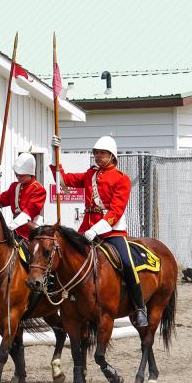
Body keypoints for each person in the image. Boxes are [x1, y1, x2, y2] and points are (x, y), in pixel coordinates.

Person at [51, 134, 146, 327]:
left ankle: (139, 307)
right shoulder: (90, 174)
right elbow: (64, 180)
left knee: (127, 264)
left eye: (102, 153)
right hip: (86, 227)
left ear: (112, 156)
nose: (98, 156)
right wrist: (55, 155)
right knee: (63, 256)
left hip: (112, 231)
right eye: (96, 153)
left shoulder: (122, 179)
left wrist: (96, 229)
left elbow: (116, 211)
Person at [0, 152, 46, 242]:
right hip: (16, 232)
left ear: (30, 173)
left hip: (31, 233)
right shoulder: (14, 186)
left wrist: (10, 227)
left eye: (21, 175)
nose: (18, 177)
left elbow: (28, 213)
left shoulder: (38, 190)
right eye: (16, 174)